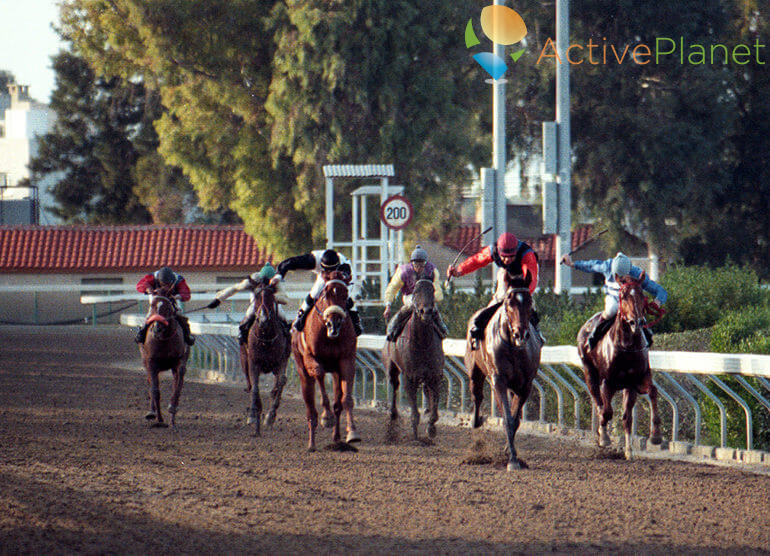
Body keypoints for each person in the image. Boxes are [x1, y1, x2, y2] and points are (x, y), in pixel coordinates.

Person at [447, 231, 543, 349]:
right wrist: (459, 270)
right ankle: (481, 326)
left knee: (524, 302)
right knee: (501, 286)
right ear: (499, 251)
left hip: (526, 273)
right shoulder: (492, 250)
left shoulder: (527, 254)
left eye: (511, 257)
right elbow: (476, 261)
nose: (507, 260)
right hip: (507, 273)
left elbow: (531, 279)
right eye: (504, 257)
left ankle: (537, 332)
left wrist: (522, 295)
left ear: (516, 252)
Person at [561, 252, 667, 348]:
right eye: (618, 277)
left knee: (638, 316)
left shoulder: (637, 274)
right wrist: (572, 264)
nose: (621, 280)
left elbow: (660, 291)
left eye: (624, 277)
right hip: (613, 298)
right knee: (611, 310)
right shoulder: (606, 266)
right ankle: (594, 335)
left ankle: (648, 341)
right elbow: (590, 265)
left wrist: (658, 301)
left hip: (629, 301)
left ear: (629, 270)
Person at [270, 248, 363, 336]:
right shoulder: (314, 260)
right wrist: (278, 276)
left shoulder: (345, 268)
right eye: (326, 270)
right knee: (314, 294)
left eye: (330, 271)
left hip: (341, 279)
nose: (328, 273)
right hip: (323, 277)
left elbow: (348, 288)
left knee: (347, 298)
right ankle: (299, 318)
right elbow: (289, 263)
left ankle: (356, 321)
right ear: (320, 265)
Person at [206, 263, 290, 345]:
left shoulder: (277, 282)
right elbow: (235, 288)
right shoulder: (253, 280)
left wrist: (272, 297)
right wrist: (218, 300)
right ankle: (242, 332)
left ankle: (287, 334)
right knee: (250, 313)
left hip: (271, 302)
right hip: (256, 300)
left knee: (281, 314)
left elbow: (285, 299)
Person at [383, 245, 448, 342]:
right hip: (410, 296)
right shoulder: (404, 271)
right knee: (409, 306)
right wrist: (388, 305)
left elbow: (437, 288)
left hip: (426, 296)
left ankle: (442, 328)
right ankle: (392, 328)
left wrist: (435, 299)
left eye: (422, 265)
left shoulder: (432, 271)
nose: (419, 267)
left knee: (433, 309)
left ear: (425, 263)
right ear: (412, 263)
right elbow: (392, 288)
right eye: (416, 265)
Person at [135, 266, 195, 345]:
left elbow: (186, 294)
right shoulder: (152, 277)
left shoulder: (178, 280)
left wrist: (178, 296)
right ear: (159, 281)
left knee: (179, 315)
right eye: (163, 284)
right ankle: (141, 333)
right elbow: (139, 285)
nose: (165, 287)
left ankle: (187, 335)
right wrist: (147, 289)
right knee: (150, 315)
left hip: (170, 300)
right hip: (156, 299)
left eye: (168, 284)